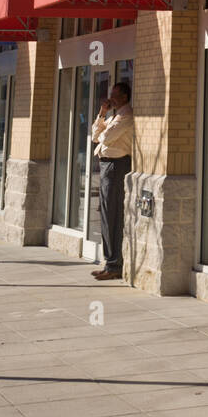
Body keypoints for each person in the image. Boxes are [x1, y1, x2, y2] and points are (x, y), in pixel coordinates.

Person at [90, 80, 133, 282]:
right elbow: (95, 135)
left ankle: (115, 264)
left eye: (115, 95)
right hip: (106, 166)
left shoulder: (126, 116)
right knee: (106, 215)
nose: (111, 98)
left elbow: (105, 138)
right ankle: (109, 263)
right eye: (111, 95)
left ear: (125, 96)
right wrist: (102, 112)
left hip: (117, 166)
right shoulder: (114, 115)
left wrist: (103, 131)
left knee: (113, 215)